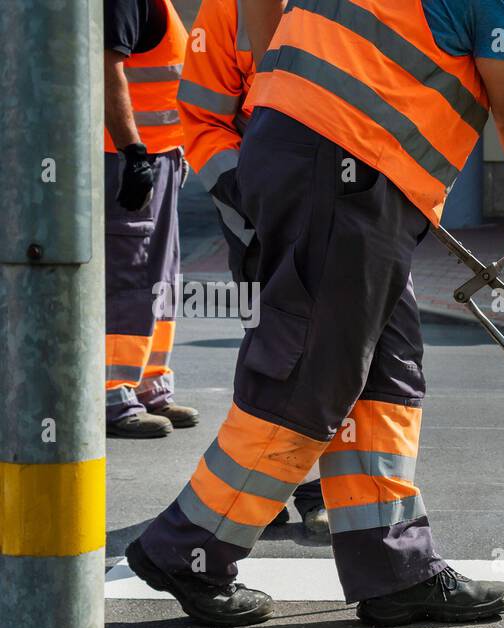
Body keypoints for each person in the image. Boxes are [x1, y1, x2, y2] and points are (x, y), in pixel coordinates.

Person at [127, 0, 504, 627]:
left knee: (385, 373)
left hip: (336, 164)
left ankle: (395, 569)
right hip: (345, 168)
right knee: (310, 377)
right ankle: (186, 550)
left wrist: (275, 85)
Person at [177, 0, 328, 537]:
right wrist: (250, 194)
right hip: (260, 217)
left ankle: (324, 491)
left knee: (350, 353)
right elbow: (202, 119)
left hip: (348, 209)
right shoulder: (230, 9)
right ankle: (281, 492)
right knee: (280, 352)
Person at [104, 0, 200, 438]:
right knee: (130, 276)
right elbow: (106, 66)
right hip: (127, 160)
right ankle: (112, 393)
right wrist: (133, 153)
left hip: (161, 158)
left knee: (161, 276)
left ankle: (149, 384)